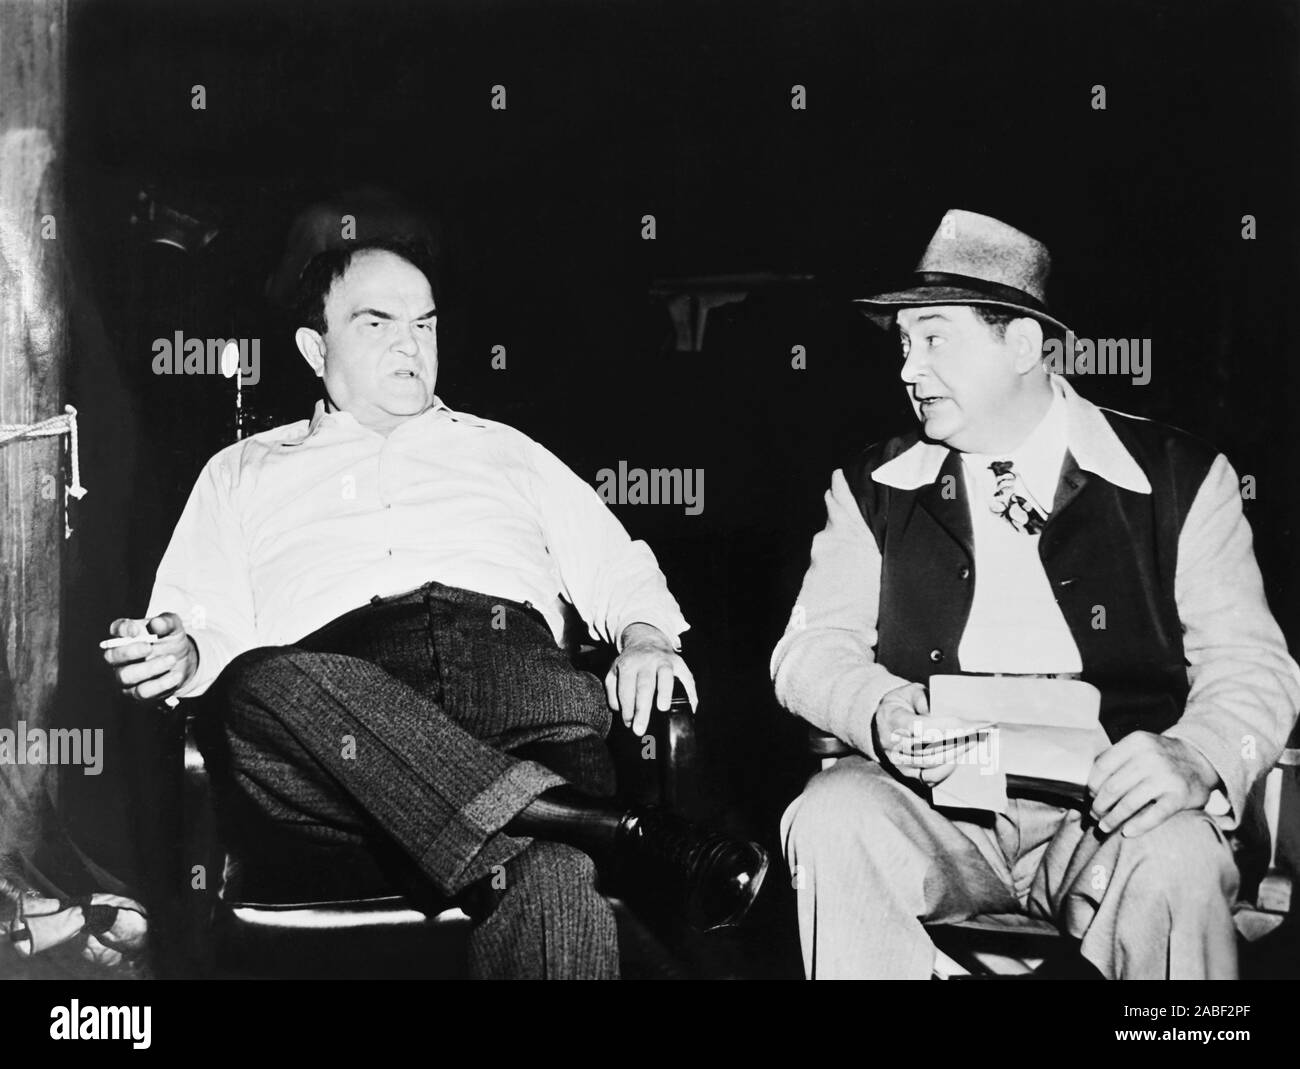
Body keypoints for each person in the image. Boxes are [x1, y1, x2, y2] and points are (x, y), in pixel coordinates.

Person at [103, 234, 767, 979]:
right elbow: (202, 621)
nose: (409, 344)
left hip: (524, 704)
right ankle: (612, 829)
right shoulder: (241, 471)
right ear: (314, 350)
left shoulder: (505, 449)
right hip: (345, 749)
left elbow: (617, 567)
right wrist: (185, 651)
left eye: (425, 324)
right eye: (377, 323)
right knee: (258, 681)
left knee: (548, 878)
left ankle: (574, 824)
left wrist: (646, 636)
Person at [772, 209, 1300, 979]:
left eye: (935, 338)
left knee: (1181, 858)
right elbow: (808, 652)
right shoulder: (871, 488)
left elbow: (1255, 667)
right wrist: (877, 706)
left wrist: (1194, 755)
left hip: (1113, 816)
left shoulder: (1179, 479)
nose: (908, 369)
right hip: (940, 812)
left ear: (1022, 343)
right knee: (831, 816)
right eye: (904, 343)